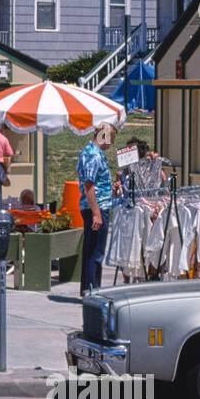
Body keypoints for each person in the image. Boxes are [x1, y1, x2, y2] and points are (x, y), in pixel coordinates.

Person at [78, 123, 117, 295]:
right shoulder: (93, 155)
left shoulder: (92, 152)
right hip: (97, 207)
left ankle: (89, 289)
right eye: (112, 138)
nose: (112, 143)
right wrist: (96, 213)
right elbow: (89, 185)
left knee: (91, 251)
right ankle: (93, 291)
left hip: (97, 205)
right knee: (96, 253)